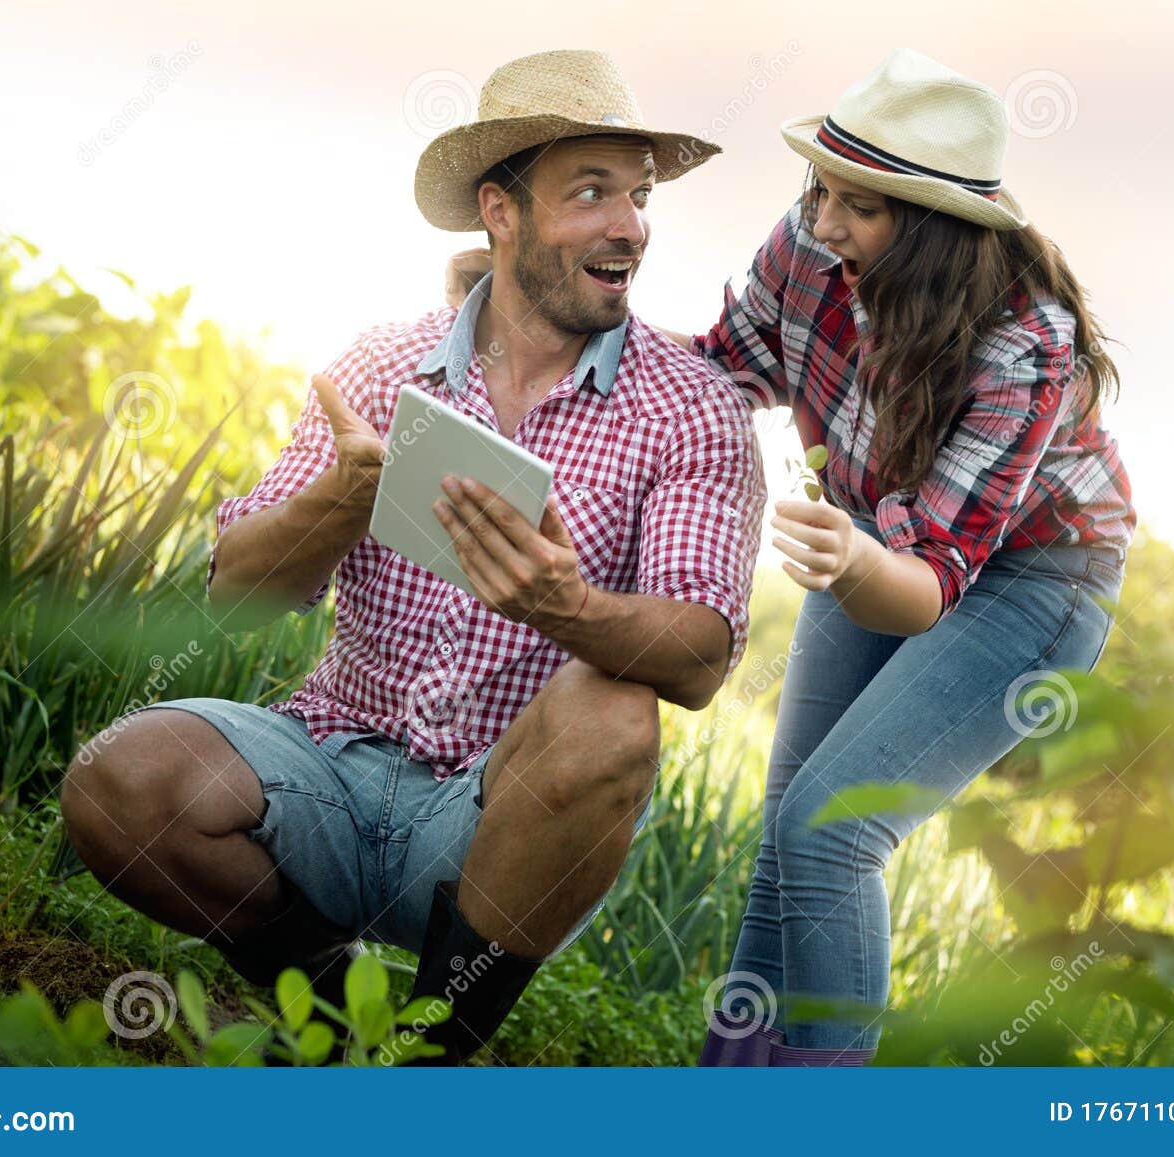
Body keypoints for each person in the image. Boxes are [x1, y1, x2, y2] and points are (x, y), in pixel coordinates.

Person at [59, 49, 766, 1066]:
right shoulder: (382, 361)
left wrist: (566, 607)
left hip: (496, 820)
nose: (630, 226)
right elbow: (236, 596)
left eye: (639, 196)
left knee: (612, 708)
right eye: (591, 193)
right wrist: (344, 497)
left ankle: (424, 1063)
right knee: (116, 779)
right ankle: (334, 1011)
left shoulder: (691, 406)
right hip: (327, 767)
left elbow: (698, 659)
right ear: (501, 211)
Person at [450, 46, 1136, 1065]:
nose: (823, 222)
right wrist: (534, 310)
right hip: (867, 532)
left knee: (833, 829)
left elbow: (926, 583)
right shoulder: (810, 245)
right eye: (820, 190)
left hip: (1030, 579)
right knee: (788, 832)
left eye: (859, 207)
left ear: (935, 229)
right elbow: (717, 373)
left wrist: (853, 561)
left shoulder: (1023, 342)